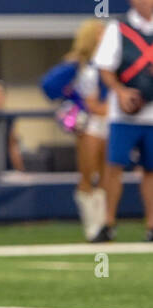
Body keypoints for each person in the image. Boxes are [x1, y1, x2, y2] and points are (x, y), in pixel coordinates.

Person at [93, 0, 153, 243]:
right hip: (124, 113)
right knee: (114, 166)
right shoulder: (118, 28)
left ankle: (151, 224)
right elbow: (104, 67)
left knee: (151, 170)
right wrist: (121, 91)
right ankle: (108, 223)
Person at [40, 20, 110, 240]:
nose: (104, 36)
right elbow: (49, 86)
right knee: (88, 173)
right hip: (87, 122)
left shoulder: (110, 62)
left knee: (106, 173)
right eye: (99, 33)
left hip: (107, 120)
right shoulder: (78, 64)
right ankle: (92, 226)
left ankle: (105, 224)